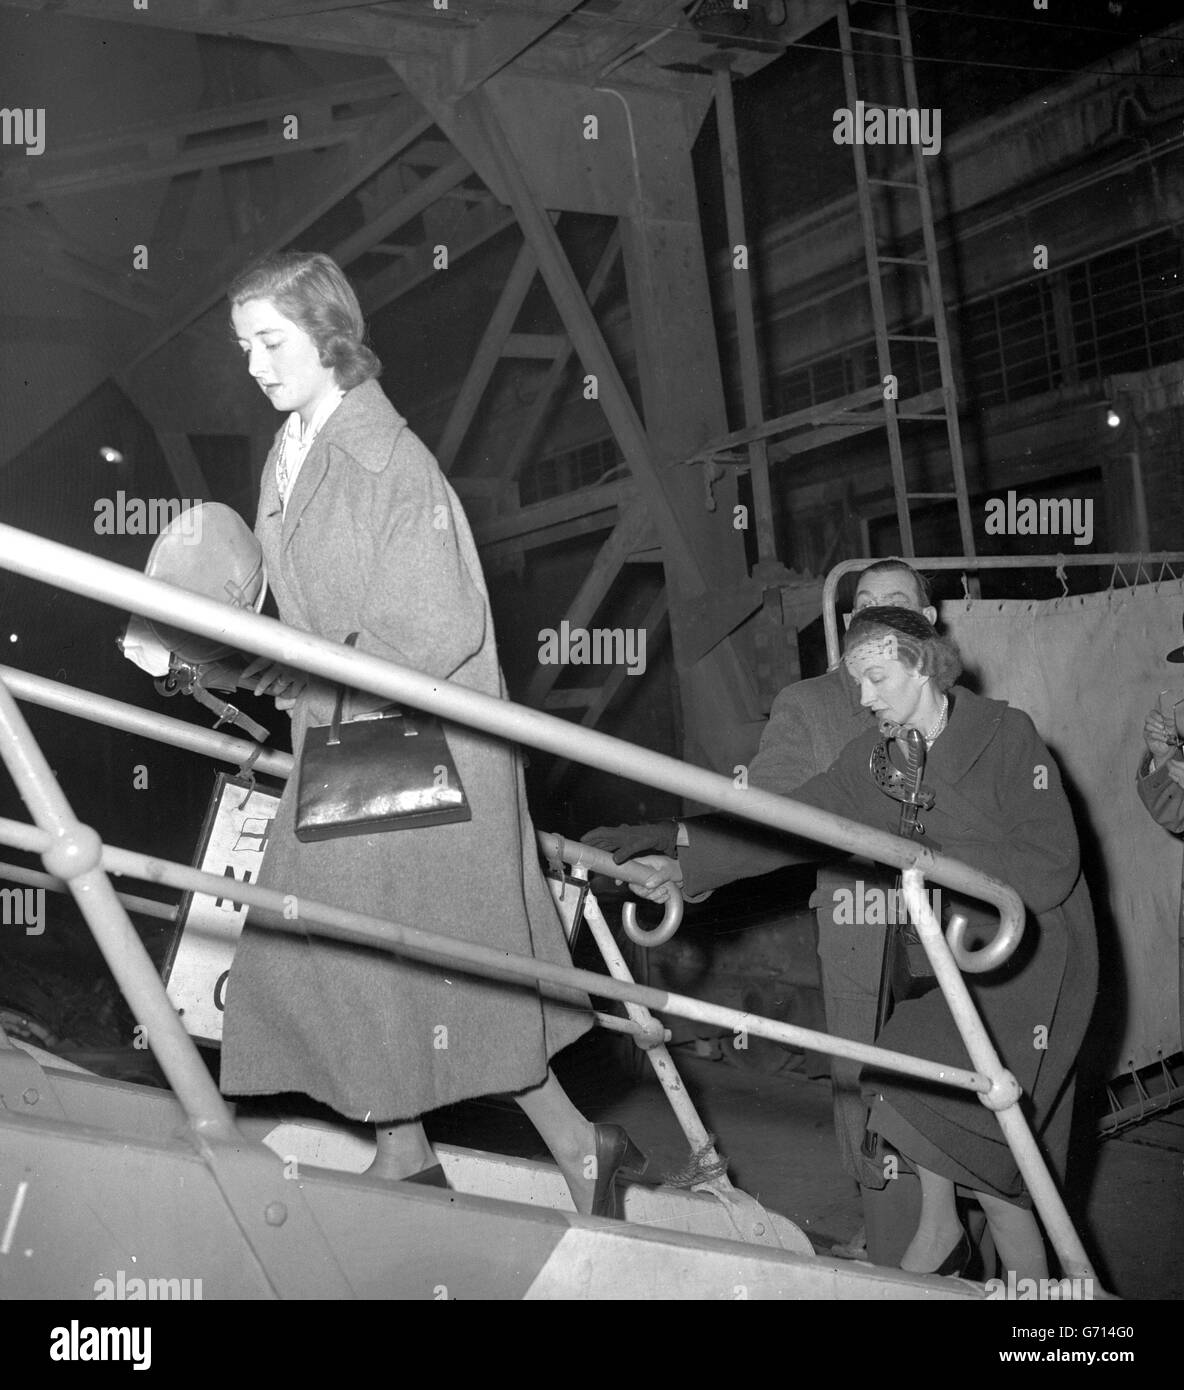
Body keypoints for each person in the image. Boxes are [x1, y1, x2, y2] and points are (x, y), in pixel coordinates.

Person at [217, 251, 643, 1217]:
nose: (254, 366)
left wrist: (311, 667)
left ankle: (528, 1147)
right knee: (383, 965)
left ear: (329, 337)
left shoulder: (388, 461)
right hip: (363, 743)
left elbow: (438, 626)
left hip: (414, 749)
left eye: (271, 342)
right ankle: (506, 1148)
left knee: (385, 962)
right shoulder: (296, 450)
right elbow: (317, 616)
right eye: (245, 347)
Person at [615, 608, 1099, 1278]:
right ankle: (953, 1238)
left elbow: (1051, 864)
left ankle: (998, 1274)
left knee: (991, 1152)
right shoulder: (877, 765)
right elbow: (791, 822)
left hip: (1042, 951)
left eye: (876, 677)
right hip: (977, 953)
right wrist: (683, 858)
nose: (864, 697)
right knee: (920, 1075)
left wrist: (929, 850)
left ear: (924, 664)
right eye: (857, 682)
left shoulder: (1005, 734)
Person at [587, 559, 937, 1256]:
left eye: (900, 603)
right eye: (868, 606)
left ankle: (956, 1242)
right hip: (860, 922)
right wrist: (687, 858)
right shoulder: (811, 706)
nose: (884, 616)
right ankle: (905, 1257)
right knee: (871, 1097)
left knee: (966, 1102)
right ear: (847, 628)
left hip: (959, 928)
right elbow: (767, 810)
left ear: (932, 617)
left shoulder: (960, 702)